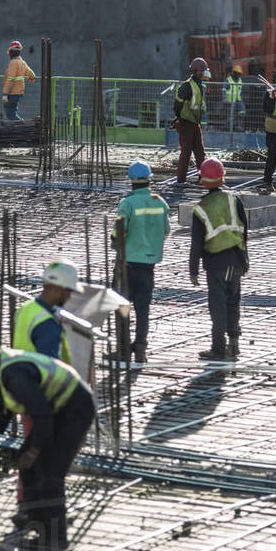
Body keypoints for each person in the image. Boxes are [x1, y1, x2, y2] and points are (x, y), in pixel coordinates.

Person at [0, 339, 95, 551]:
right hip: (57, 408)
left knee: (50, 473)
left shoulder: (13, 374)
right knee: (27, 464)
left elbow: (42, 414)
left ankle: (56, 538)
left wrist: (34, 451)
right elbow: (4, 409)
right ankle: (36, 519)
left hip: (74, 408)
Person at [189, 157, 248, 361]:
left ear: (202, 180)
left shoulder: (201, 208)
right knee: (233, 301)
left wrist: (193, 269)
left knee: (218, 305)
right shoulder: (234, 199)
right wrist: (245, 258)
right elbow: (244, 230)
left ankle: (218, 348)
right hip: (236, 259)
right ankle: (234, 344)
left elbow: (196, 242)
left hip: (216, 263)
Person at [112, 161, 170, 363]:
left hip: (127, 264)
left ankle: (123, 349)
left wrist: (115, 242)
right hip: (148, 265)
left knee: (122, 306)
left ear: (131, 180)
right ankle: (140, 349)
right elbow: (165, 231)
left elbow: (118, 233)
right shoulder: (160, 203)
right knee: (143, 308)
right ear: (149, 179)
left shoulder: (127, 204)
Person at [13, 259, 82, 364]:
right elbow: (50, 368)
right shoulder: (48, 324)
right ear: (59, 288)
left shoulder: (26, 308)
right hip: (38, 374)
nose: (70, 297)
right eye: (70, 291)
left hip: (20, 370)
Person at [172, 57, 208, 185]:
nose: (202, 73)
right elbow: (177, 105)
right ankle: (181, 180)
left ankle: (203, 178)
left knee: (200, 153)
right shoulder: (186, 86)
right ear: (194, 71)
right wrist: (179, 118)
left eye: (203, 71)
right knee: (186, 153)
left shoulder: (200, 85)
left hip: (195, 123)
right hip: (186, 123)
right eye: (201, 71)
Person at [2, 40, 36, 121]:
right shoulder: (22, 63)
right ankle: (20, 125)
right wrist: (31, 78)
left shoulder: (13, 63)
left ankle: (21, 125)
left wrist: (5, 94)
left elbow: (10, 79)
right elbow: (32, 75)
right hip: (18, 93)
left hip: (12, 92)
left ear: (11, 52)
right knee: (12, 112)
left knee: (10, 114)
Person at [223, 64, 247, 139]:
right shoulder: (228, 80)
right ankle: (227, 128)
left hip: (238, 100)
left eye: (239, 74)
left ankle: (239, 127)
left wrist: (242, 98)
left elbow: (240, 91)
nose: (238, 75)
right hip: (229, 101)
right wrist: (224, 98)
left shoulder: (240, 80)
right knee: (231, 116)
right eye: (237, 73)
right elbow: (223, 90)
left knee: (242, 111)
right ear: (233, 73)